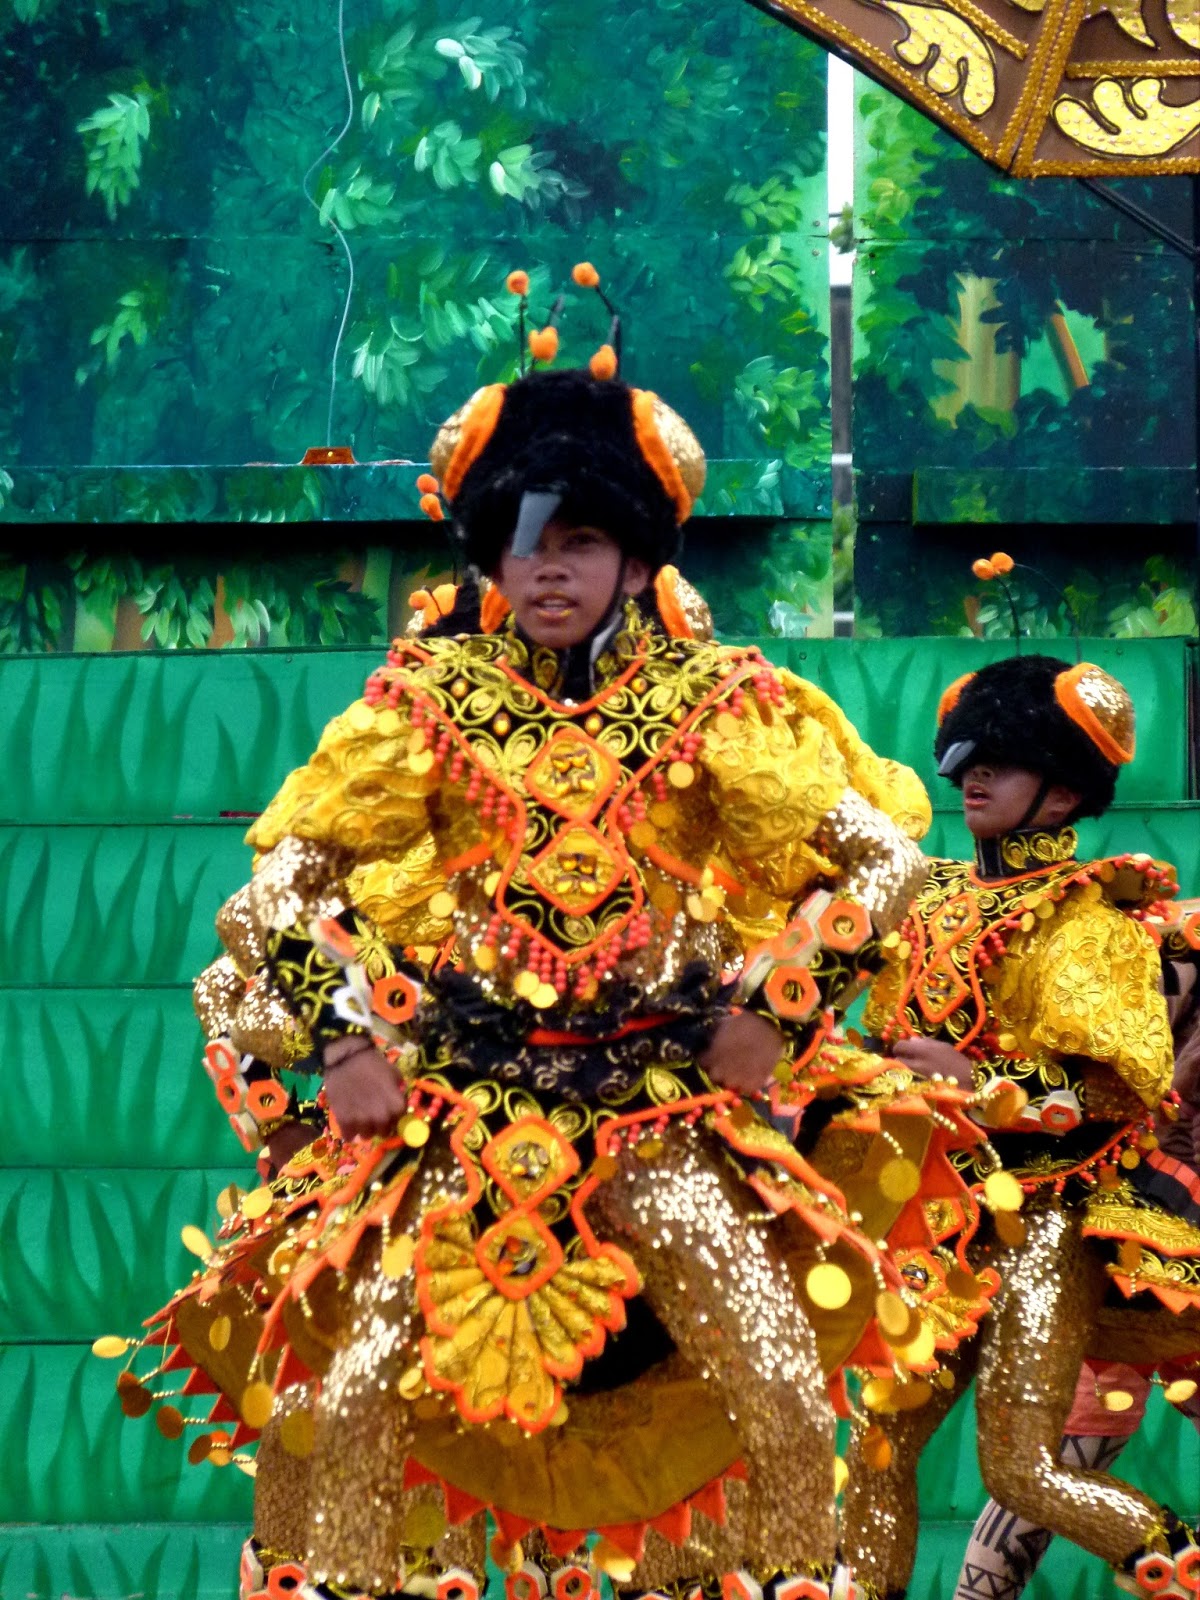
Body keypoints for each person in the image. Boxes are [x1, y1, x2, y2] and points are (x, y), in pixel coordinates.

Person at [100, 331, 977, 1600]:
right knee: (350, 1406)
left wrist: (778, 1008)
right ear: (491, 556)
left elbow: (884, 860)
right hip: (467, 1119)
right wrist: (344, 1042)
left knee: (783, 1393)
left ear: (633, 555)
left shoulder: (714, 696)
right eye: (522, 538)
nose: (547, 566)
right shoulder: (431, 697)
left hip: (659, 1114)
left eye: (575, 540)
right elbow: (282, 885)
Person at [836, 654, 1200, 1600]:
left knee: (1020, 1472)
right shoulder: (923, 896)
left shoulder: (1089, 916)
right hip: (928, 1218)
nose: (972, 778)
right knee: (879, 1444)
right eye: (964, 762)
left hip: (1045, 1224)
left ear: (1067, 790)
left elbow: (1121, 1085)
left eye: (1000, 761)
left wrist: (978, 1078)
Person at [950, 958, 1200, 1600]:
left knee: (1042, 1471)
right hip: (1118, 1248)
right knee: (1044, 1471)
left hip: (1129, 1246)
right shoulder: (1153, 941)